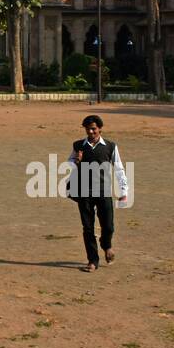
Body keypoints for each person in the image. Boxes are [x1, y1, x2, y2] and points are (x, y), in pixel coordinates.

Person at [66, 114, 129, 272]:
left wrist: (123, 190)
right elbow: (69, 163)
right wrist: (76, 161)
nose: (91, 132)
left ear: (100, 129)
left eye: (93, 129)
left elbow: (119, 169)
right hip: (84, 192)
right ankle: (92, 260)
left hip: (103, 191)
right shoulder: (78, 145)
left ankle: (106, 245)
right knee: (88, 228)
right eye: (88, 129)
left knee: (108, 226)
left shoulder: (110, 146)